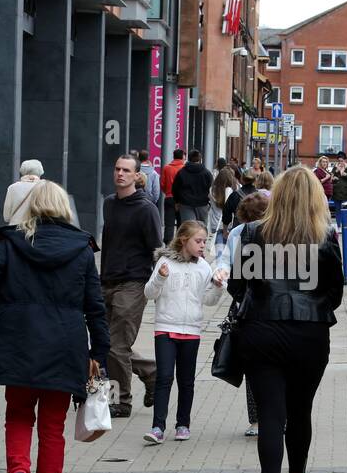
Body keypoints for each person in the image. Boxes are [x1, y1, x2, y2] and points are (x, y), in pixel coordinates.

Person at [0, 180, 109, 473]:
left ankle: (18, 472)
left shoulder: (12, 242)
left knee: (17, 413)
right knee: (52, 426)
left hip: (18, 343)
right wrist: (99, 352)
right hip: (65, 347)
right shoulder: (81, 248)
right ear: (64, 207)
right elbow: (95, 305)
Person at [228, 168, 343, 473]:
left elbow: (236, 285)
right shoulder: (325, 236)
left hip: (261, 330)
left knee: (271, 416)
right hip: (309, 334)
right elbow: (336, 292)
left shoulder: (251, 232)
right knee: (301, 410)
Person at [142, 221, 226, 444]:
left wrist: (218, 288)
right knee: (165, 377)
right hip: (166, 328)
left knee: (186, 380)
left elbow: (206, 300)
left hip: (191, 330)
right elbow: (149, 293)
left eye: (205, 242)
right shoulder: (164, 261)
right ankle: (158, 427)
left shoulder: (203, 267)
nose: (202, 246)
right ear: (183, 240)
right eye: (198, 241)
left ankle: (183, 424)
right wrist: (160, 276)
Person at [101, 154, 160, 418]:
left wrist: (158, 284)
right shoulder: (109, 204)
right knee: (107, 344)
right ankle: (151, 371)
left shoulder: (146, 208)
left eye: (126, 170)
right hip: (107, 280)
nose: (120, 174)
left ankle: (121, 402)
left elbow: (155, 249)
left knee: (116, 346)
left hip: (134, 282)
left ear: (137, 175)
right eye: (117, 169)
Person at [214, 190, 271, 437]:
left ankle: (274, 416)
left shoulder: (279, 234)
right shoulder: (238, 234)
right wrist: (222, 274)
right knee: (253, 364)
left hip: (267, 305)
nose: (251, 225)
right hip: (246, 305)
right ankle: (257, 419)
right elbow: (225, 262)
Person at [173, 149, 214, 225]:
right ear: (200, 159)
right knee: (201, 228)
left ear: (188, 159)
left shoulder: (181, 172)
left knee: (188, 228)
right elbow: (211, 188)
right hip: (202, 204)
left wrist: (177, 201)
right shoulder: (206, 173)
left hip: (185, 204)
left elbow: (175, 188)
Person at [208, 165, 239, 254]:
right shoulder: (231, 190)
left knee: (219, 250)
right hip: (227, 223)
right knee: (228, 250)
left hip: (215, 222)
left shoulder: (212, 190)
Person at [2, 159, 44, 224]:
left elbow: (6, 217)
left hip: (16, 230)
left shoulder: (12, 188)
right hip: (38, 230)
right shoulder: (46, 188)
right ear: (40, 172)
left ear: (22, 172)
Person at [160, 149, 186, 243]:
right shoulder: (184, 168)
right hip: (182, 200)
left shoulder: (166, 168)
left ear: (173, 156)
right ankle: (178, 245)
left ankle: (167, 244)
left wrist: (167, 192)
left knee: (169, 224)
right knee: (181, 224)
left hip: (169, 198)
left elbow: (162, 184)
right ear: (183, 157)